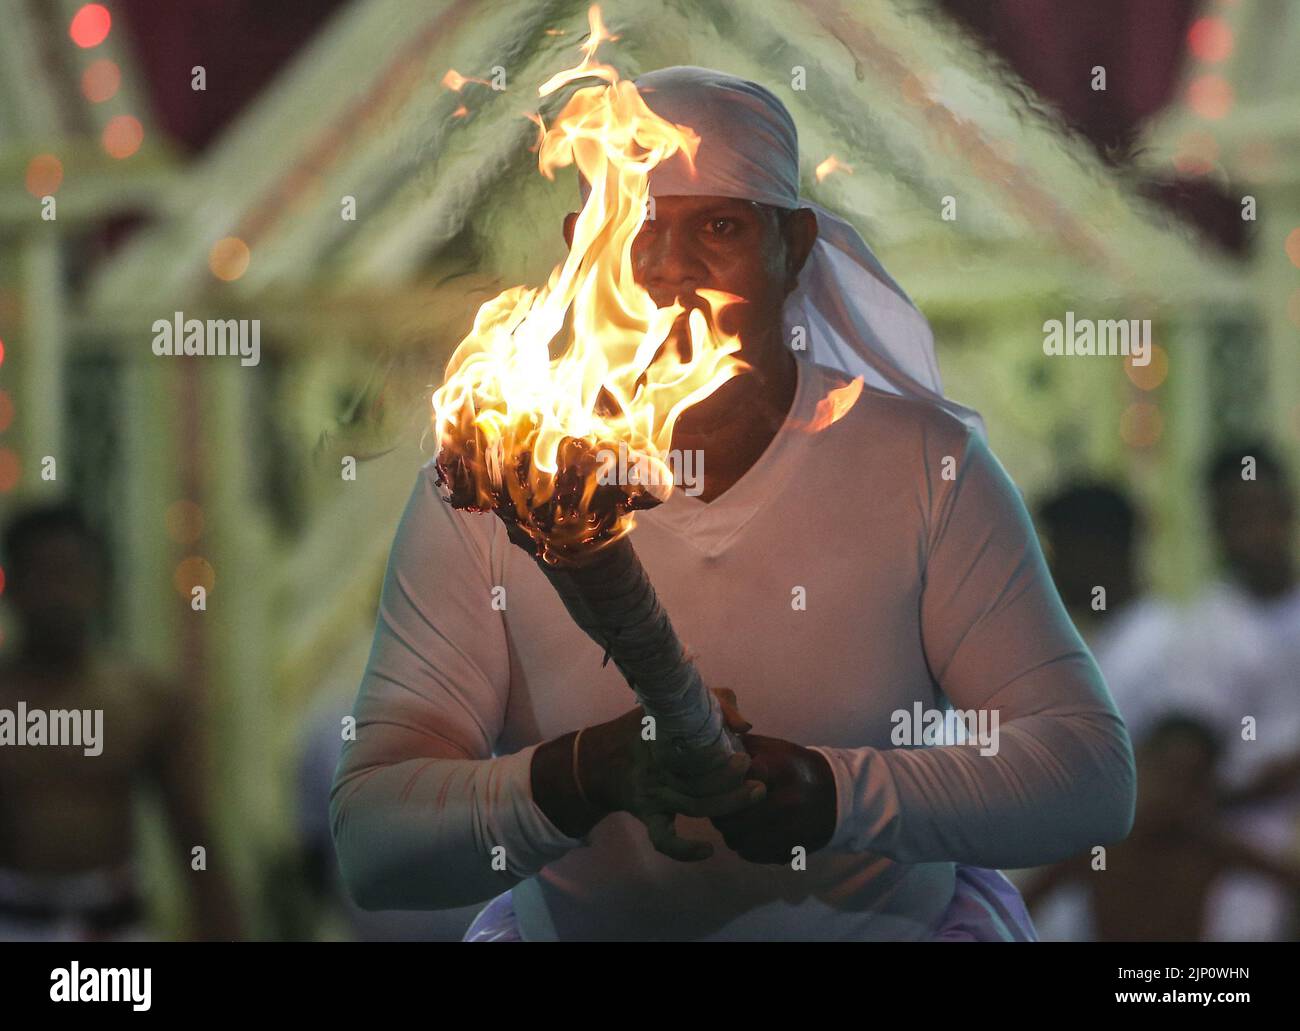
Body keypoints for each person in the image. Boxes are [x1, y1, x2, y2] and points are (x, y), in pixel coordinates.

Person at [330, 66, 1135, 941]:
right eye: (635, 230)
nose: (671, 272)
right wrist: (589, 774)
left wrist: (832, 797)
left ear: (792, 246)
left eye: (719, 228)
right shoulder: (501, 484)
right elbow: (374, 842)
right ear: (579, 252)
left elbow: (1090, 777)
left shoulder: (925, 467)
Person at [0, 504, 243, 940]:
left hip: (114, 924)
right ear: (12, 586)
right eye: (43, 575)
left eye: (71, 574)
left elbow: (194, 839)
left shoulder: (142, 700)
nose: (59, 594)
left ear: (97, 584)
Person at [1158, 441, 1300, 939]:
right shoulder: (1206, 635)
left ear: (1287, 508)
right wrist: (1261, 786)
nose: (1251, 534)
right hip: (1249, 867)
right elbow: (1179, 791)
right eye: (1233, 518)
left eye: (1260, 511)